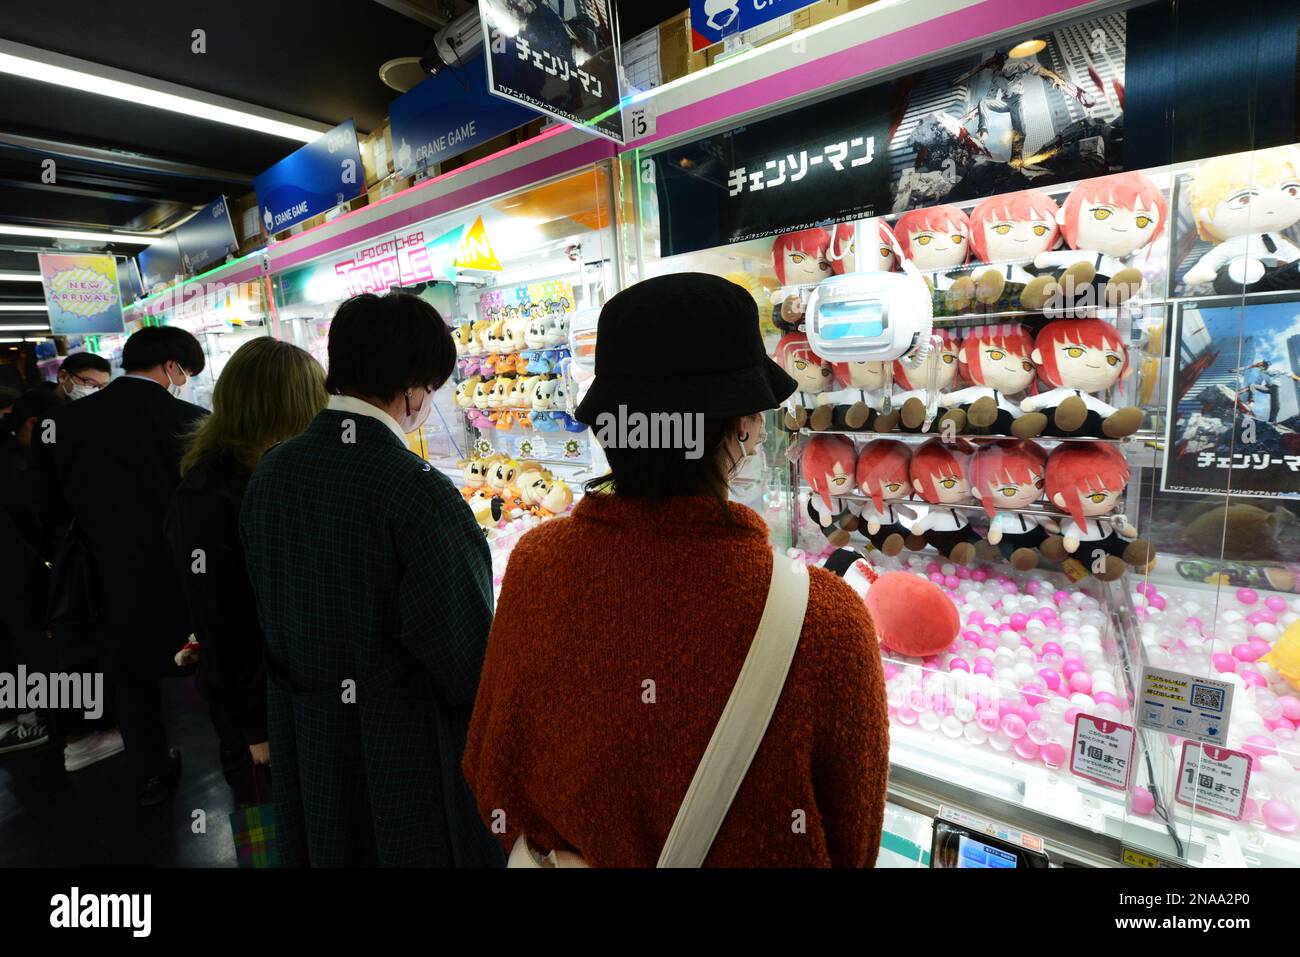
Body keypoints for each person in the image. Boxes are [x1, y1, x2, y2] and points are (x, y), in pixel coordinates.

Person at [463, 273, 890, 867]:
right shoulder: (825, 621)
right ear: (743, 427)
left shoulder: (535, 566)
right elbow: (855, 847)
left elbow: (490, 777)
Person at [240, 292, 501, 867]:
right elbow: (464, 660)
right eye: (432, 389)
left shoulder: (273, 469)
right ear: (413, 387)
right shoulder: (418, 490)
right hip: (399, 748)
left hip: (306, 735)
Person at [34, 325, 207, 805]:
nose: (184, 381)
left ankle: (151, 776)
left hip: (104, 578)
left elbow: (49, 510)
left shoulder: (66, 424)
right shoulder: (191, 419)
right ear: (172, 367)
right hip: (184, 574)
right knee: (206, 666)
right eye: (186, 372)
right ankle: (238, 757)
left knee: (130, 680)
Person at [166, 338, 327, 805]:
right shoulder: (212, 492)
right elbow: (222, 615)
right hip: (264, 709)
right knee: (277, 822)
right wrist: (255, 726)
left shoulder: (264, 468)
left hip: (290, 689)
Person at [0, 388, 68, 755]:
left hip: (17, 575)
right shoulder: (18, 467)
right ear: (33, 423)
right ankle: (57, 723)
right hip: (19, 577)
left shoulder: (16, 459)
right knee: (33, 645)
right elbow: (34, 525)